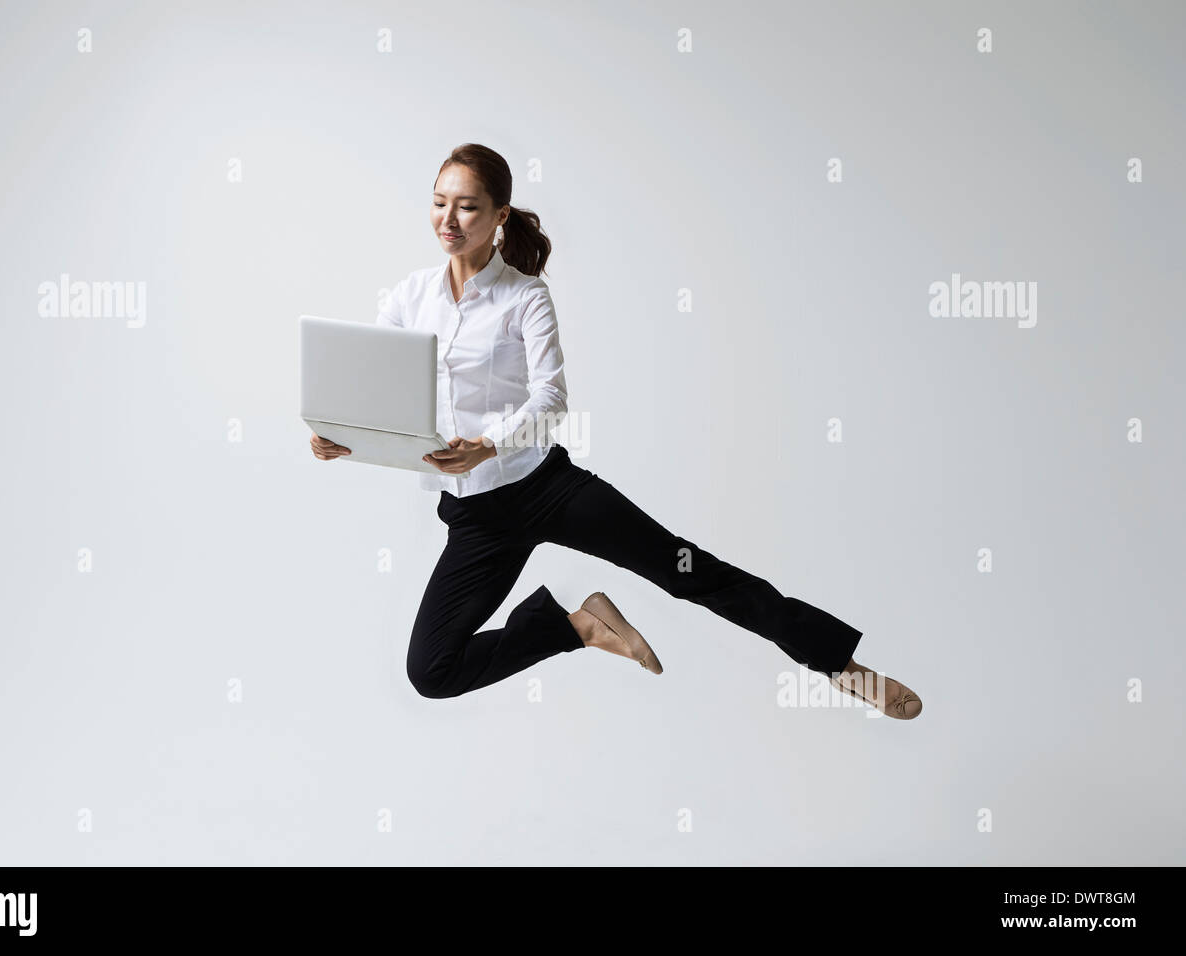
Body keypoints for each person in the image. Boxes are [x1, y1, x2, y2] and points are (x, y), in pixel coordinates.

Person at [310, 143, 922, 720]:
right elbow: (381, 396)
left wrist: (489, 444)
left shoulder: (525, 298)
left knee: (688, 572)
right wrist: (344, 437)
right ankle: (579, 625)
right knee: (432, 672)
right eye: (440, 202)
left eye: (468, 205)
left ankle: (844, 667)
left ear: (498, 215)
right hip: (475, 516)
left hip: (545, 487)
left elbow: (551, 400)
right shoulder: (409, 297)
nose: (450, 218)